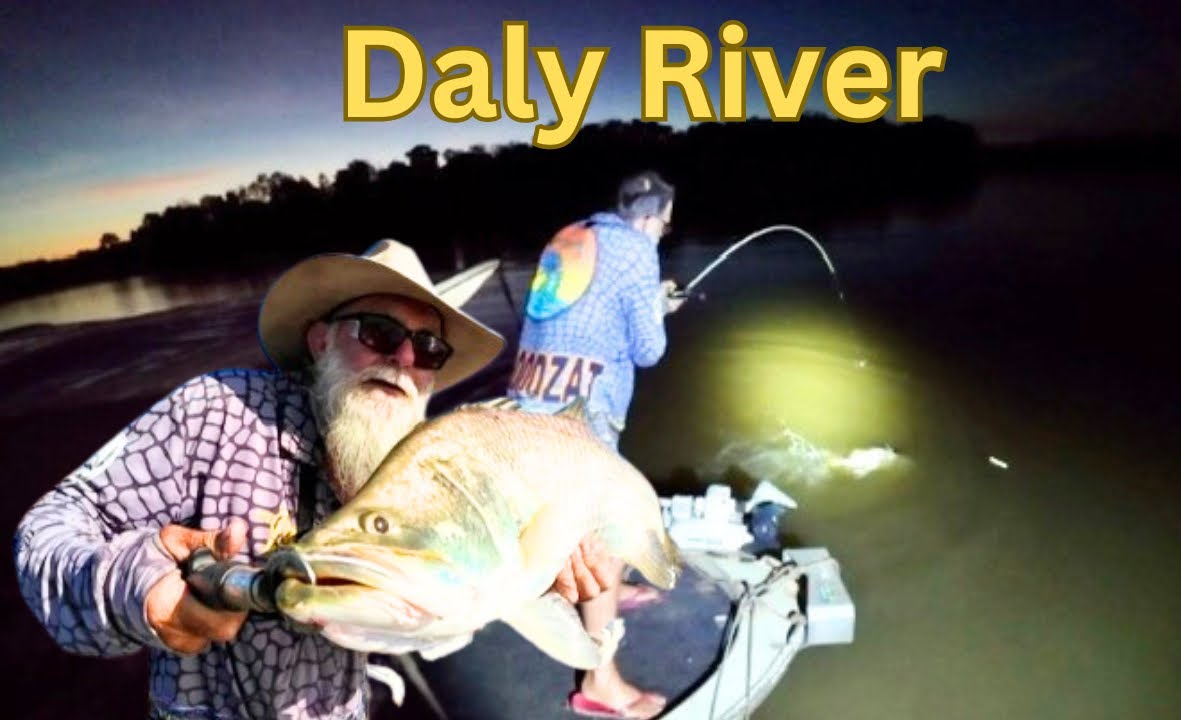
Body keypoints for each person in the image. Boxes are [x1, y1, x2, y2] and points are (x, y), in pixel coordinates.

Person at [13, 239, 619, 720]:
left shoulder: (427, 459)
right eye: (380, 333)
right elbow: (48, 529)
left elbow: (443, 608)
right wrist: (135, 585)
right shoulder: (215, 412)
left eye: (429, 349)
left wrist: (536, 574)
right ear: (321, 339)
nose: (404, 360)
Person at [506, 170, 685, 719]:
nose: (663, 233)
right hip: (579, 411)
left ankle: (609, 592)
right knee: (602, 537)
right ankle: (598, 684)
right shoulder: (636, 248)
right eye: (666, 225)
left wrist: (646, 300)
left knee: (607, 511)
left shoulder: (570, 235)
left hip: (526, 399)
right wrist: (656, 309)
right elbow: (648, 350)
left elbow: (582, 311)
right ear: (654, 218)